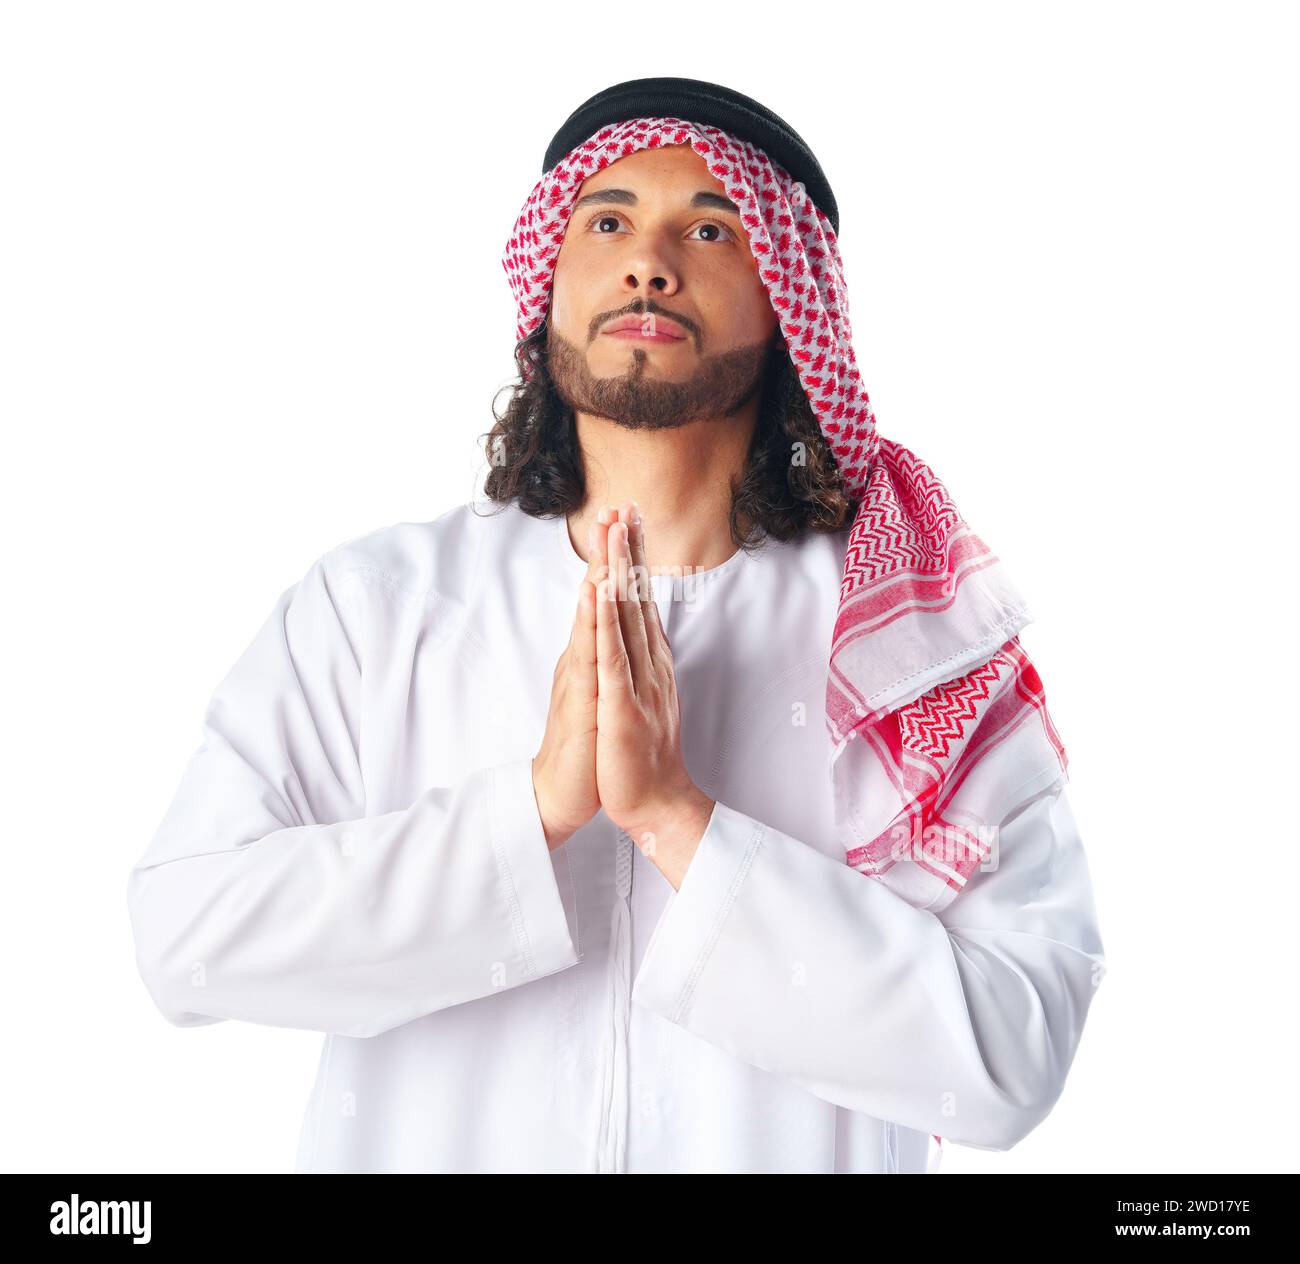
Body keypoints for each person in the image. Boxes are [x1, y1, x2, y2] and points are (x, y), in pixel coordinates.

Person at [127, 77, 1106, 1174]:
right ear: (548, 278)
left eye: (708, 225)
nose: (649, 260)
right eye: (607, 220)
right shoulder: (378, 610)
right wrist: (530, 815)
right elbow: (186, 937)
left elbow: (1013, 1051)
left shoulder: (910, 644)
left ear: (791, 295)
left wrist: (681, 824)